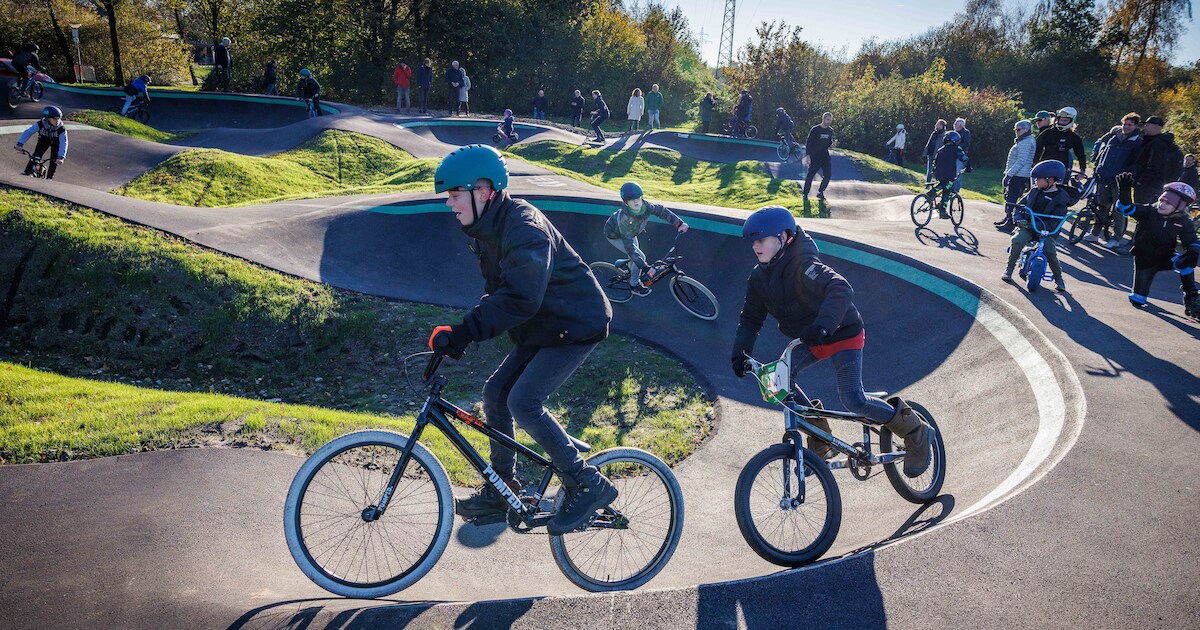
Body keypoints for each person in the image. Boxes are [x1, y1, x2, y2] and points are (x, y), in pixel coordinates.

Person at [430, 144, 618, 533]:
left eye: (454, 194)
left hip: (575, 325)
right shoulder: (487, 230)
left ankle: (589, 483)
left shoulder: (524, 228)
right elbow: (503, 293)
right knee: (494, 394)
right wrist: (461, 337)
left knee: (523, 401)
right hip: (543, 325)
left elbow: (520, 298)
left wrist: (465, 330)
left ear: (483, 191)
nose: (449, 204)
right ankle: (504, 486)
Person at [730, 206, 932, 475]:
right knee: (778, 381)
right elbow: (750, 318)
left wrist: (824, 325)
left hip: (842, 333)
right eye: (753, 241)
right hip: (810, 338)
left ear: (785, 237)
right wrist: (740, 353)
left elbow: (840, 288)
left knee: (853, 399)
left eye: (762, 239)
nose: (755, 246)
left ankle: (915, 431)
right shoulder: (759, 277)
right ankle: (820, 436)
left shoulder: (805, 265)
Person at [1114, 173, 1199, 319]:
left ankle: (1191, 296)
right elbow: (1127, 209)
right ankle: (1140, 293)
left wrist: (1193, 251)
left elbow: (1191, 240)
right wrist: (1125, 193)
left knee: (1186, 263)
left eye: (1168, 203)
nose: (1162, 204)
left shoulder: (1183, 221)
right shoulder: (1149, 212)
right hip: (1145, 260)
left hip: (1165, 257)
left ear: (1180, 207)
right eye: (1161, 200)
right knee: (1138, 299)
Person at [602, 181, 689, 296]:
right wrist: (646, 268)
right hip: (616, 236)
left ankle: (631, 270)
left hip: (630, 234)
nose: (637, 202)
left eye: (638, 198)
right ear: (626, 202)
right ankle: (634, 284)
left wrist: (679, 223)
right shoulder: (624, 219)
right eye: (632, 200)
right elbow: (629, 248)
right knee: (639, 257)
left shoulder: (645, 206)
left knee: (636, 260)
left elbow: (661, 211)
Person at [1001, 160, 1077, 292]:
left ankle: (1058, 278)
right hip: (1028, 227)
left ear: (1051, 180)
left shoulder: (1061, 198)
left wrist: (1035, 225)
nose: (1035, 181)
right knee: (1017, 240)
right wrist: (1018, 219)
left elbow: (1055, 222)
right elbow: (1020, 207)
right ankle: (1009, 269)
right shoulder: (1034, 191)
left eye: (1039, 179)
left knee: (1050, 251)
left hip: (1046, 231)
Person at [1087, 113, 1143, 247]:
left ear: (1135, 126)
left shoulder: (1137, 142)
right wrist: (1099, 168)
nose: (1126, 127)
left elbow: (1136, 163)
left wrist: (1124, 174)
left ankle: (1116, 239)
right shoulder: (1114, 138)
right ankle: (1095, 234)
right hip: (1105, 178)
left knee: (1118, 210)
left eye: (1129, 125)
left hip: (1121, 182)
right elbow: (1104, 155)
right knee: (1101, 206)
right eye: (1124, 124)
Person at [996, 120, 1036, 232]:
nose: (1016, 132)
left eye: (1018, 130)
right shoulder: (1024, 140)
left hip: (1019, 174)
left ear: (1026, 129)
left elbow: (1021, 161)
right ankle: (1008, 218)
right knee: (1009, 197)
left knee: (1012, 198)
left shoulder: (1026, 142)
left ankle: (1010, 222)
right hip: (1018, 173)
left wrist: (1009, 175)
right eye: (1015, 130)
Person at [1133, 116, 1180, 204]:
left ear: (1157, 126)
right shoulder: (1153, 141)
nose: (1145, 128)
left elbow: (1154, 165)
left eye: (1147, 125)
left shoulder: (1157, 143)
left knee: (1144, 211)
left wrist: (1142, 180)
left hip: (1149, 185)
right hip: (1153, 184)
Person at [13, 106, 68, 180]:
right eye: (54, 119)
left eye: (59, 118)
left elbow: (64, 142)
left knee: (54, 161)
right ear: (47, 118)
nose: (57, 121)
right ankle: (27, 172)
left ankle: (49, 178)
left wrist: (61, 157)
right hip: (44, 140)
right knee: (35, 156)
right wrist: (20, 144)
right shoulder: (41, 124)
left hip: (56, 143)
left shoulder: (61, 129)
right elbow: (29, 132)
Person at [1033, 107, 1087, 178]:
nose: (1062, 122)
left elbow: (1081, 155)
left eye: (1065, 120)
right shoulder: (1047, 133)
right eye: (1061, 120)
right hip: (1045, 166)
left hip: (1061, 169)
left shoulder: (1074, 137)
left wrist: (1082, 170)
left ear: (1071, 121)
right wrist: (1035, 162)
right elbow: (1037, 148)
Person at [932, 131, 971, 219]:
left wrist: (933, 171)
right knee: (947, 191)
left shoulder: (941, 149)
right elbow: (964, 158)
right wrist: (968, 167)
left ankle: (932, 193)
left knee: (943, 184)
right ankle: (942, 211)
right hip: (949, 173)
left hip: (939, 172)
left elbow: (935, 161)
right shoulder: (956, 148)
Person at [803, 112, 835, 200]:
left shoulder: (830, 130)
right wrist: (808, 156)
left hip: (825, 156)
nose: (829, 122)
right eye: (828, 120)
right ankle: (805, 193)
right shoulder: (815, 129)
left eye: (830, 120)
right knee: (810, 175)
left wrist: (831, 145)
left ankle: (820, 192)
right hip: (815, 156)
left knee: (828, 174)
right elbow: (808, 144)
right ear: (823, 119)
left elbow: (829, 142)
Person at [951, 118, 972, 194]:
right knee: (951, 172)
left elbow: (966, 143)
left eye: (956, 123)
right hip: (952, 155)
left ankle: (956, 191)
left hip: (960, 156)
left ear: (960, 125)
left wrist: (956, 146)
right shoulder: (953, 133)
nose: (954, 124)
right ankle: (950, 189)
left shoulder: (966, 133)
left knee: (958, 173)